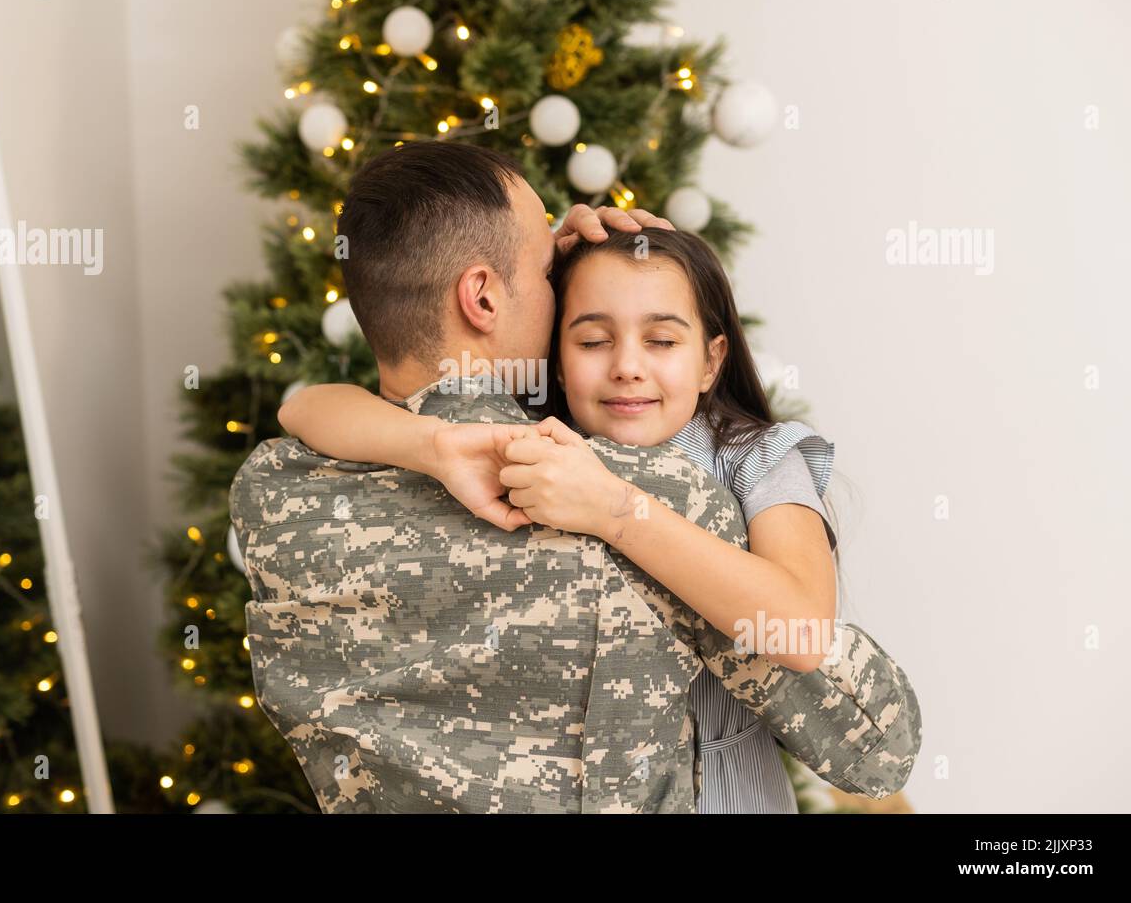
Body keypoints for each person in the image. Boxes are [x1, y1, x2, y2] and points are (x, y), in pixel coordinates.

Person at [230, 140, 763, 812]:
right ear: (481, 297)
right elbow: (875, 745)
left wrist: (550, 270)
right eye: (549, 271)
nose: (560, 278)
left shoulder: (273, 492)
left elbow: (301, 406)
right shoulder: (642, 494)